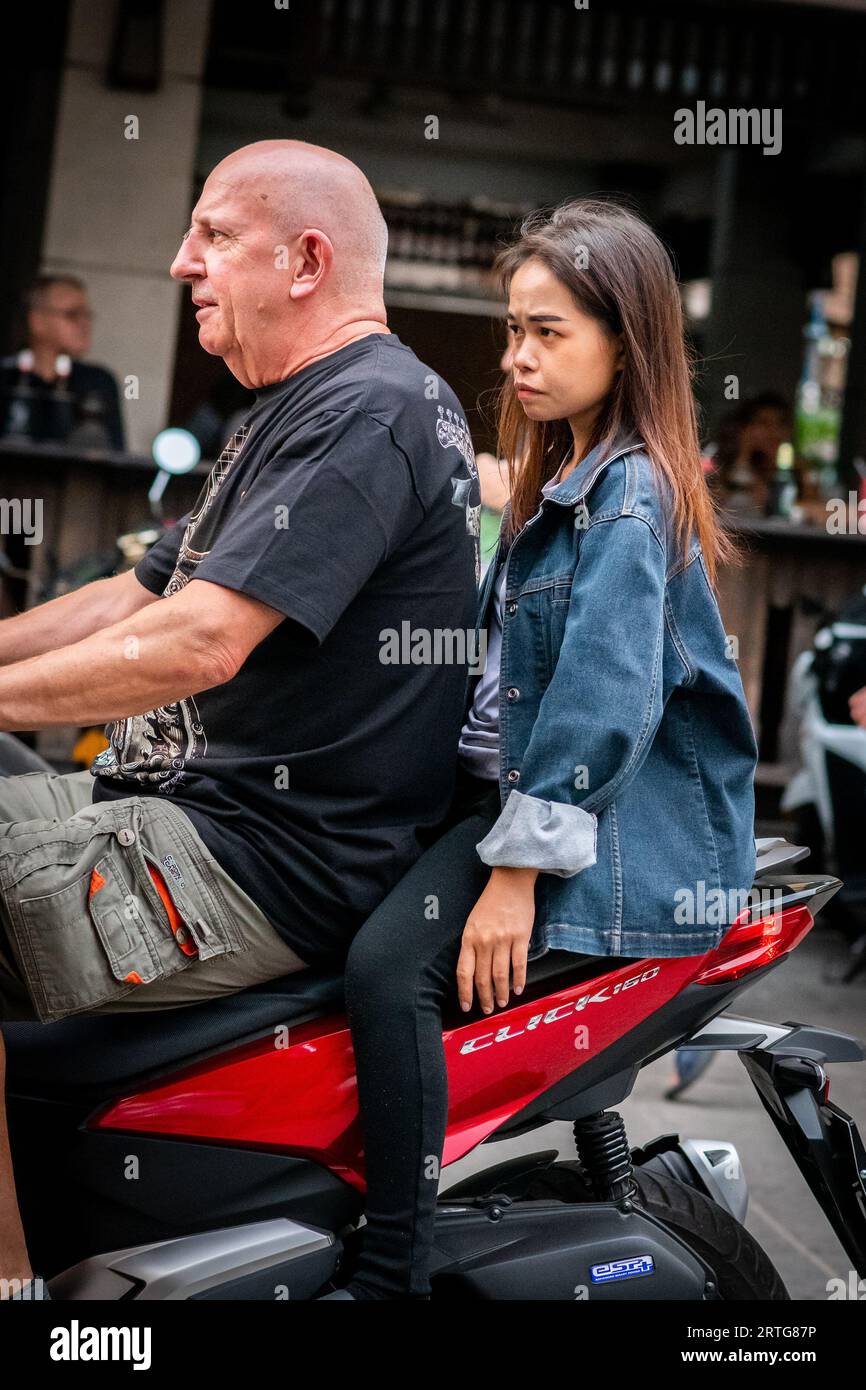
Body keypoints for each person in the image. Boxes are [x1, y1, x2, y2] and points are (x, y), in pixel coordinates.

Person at [0, 139, 480, 1298]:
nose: (180, 263)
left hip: (258, 862)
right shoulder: (293, 406)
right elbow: (140, 595)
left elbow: (199, 640)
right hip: (185, 812)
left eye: (212, 235)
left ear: (306, 259)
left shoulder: (371, 410)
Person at [325, 197, 759, 1300]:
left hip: (579, 829)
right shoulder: (559, 480)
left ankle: (392, 1273)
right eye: (511, 328)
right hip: (501, 798)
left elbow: (600, 702)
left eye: (547, 331)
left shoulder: (626, 493)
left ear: (625, 343)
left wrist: (513, 874)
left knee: (386, 972)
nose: (515, 355)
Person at [0, 275, 126, 450]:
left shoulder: (98, 382)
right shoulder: (6, 376)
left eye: (87, 315)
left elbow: (113, 456)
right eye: (72, 314)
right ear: (37, 321)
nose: (85, 324)